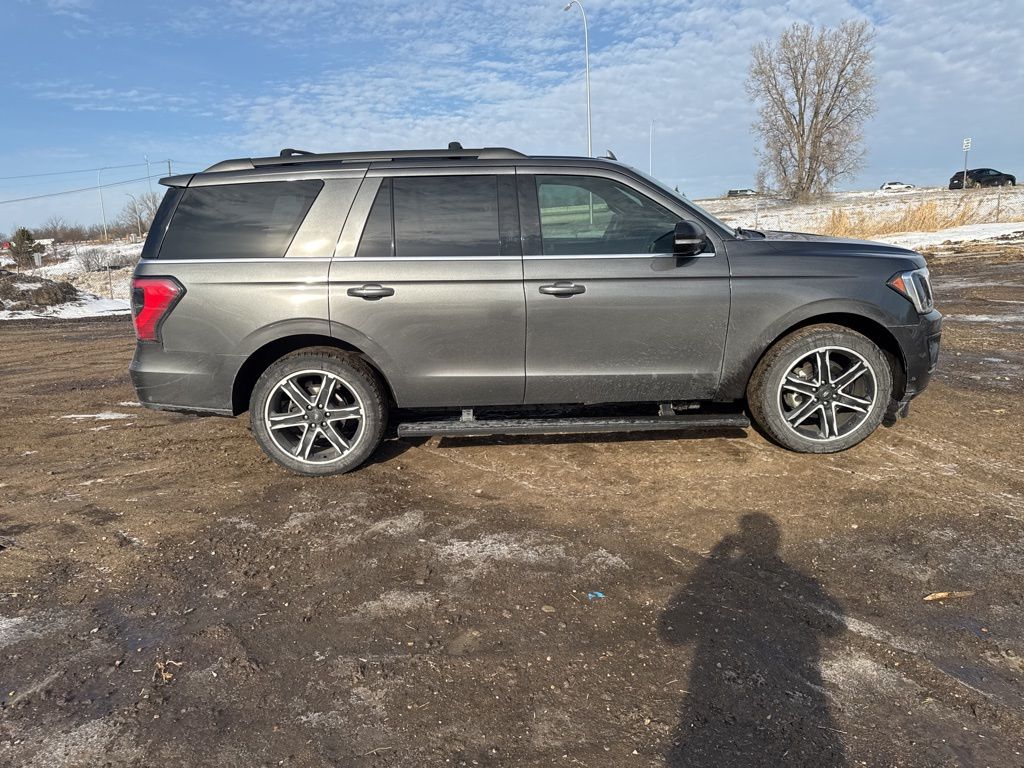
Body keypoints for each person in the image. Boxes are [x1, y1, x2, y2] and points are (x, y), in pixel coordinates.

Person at [660, 513, 846, 766]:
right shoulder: (794, 581)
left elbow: (671, 632)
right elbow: (835, 625)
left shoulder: (765, 579)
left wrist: (714, 560)